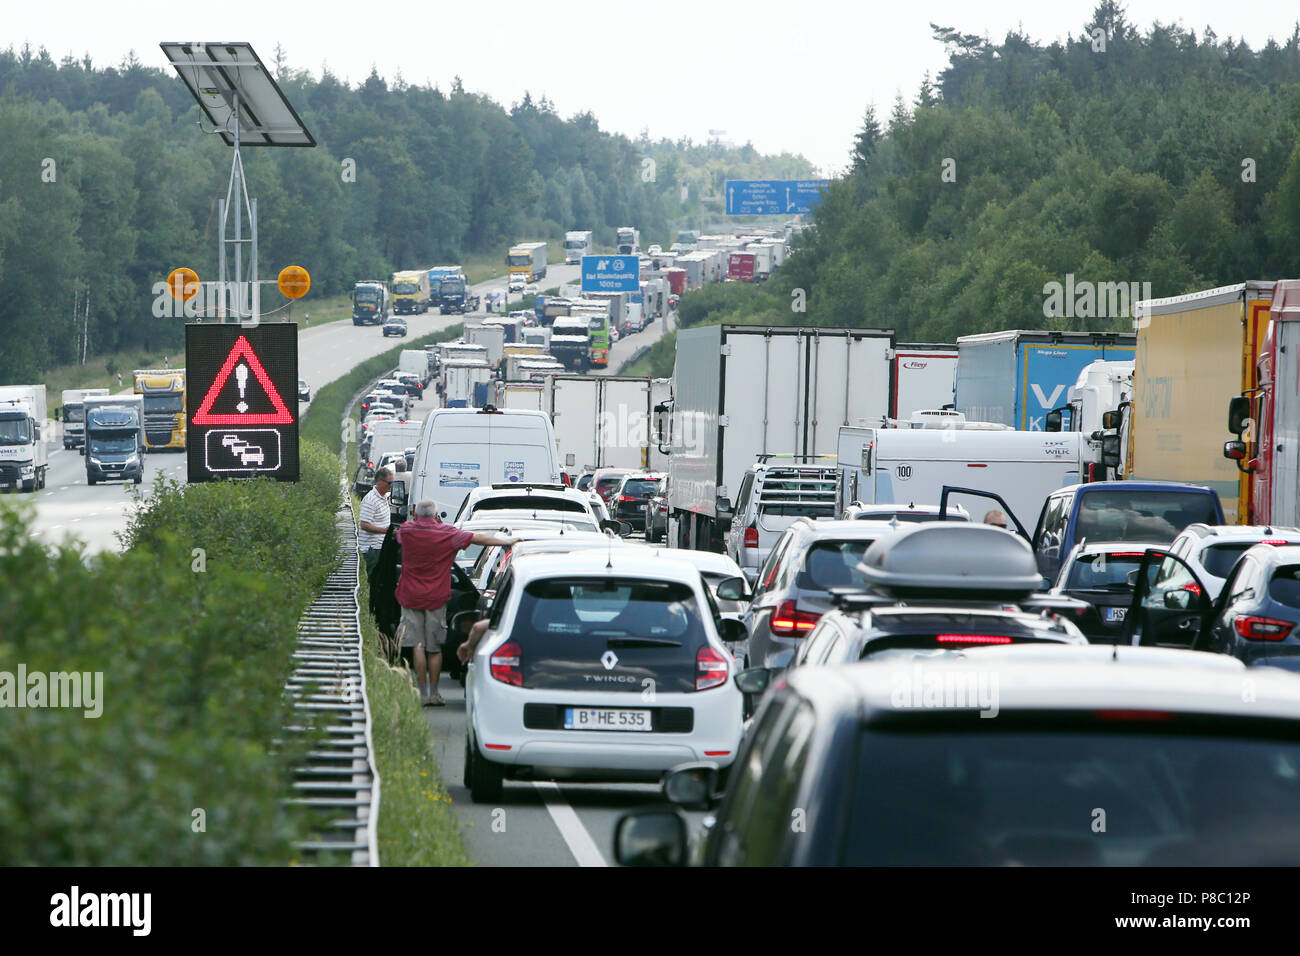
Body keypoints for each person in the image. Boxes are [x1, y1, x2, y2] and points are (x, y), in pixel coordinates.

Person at [396, 500, 519, 706]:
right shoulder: (448, 534)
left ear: (416, 515)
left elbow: (397, 536)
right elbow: (479, 539)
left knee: (417, 645)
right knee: (434, 648)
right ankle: (434, 694)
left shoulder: (407, 531)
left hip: (410, 597)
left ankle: (421, 691)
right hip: (436, 598)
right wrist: (509, 541)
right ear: (436, 516)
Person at [359, 466, 394, 579]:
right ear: (379, 481)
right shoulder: (370, 500)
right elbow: (364, 525)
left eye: (392, 482)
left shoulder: (384, 497)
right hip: (372, 548)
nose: (391, 486)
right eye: (389, 483)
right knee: (374, 578)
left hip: (381, 546)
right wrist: (385, 531)